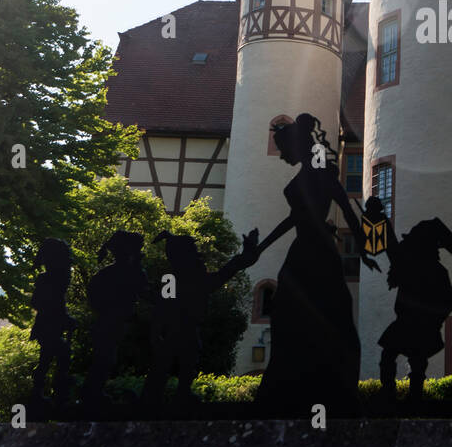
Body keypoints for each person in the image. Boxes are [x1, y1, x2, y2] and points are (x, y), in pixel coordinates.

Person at [249, 113, 377, 418]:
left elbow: (347, 211)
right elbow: (297, 218)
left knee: (313, 318)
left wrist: (363, 250)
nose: (281, 156)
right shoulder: (315, 174)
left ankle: (322, 391)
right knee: (297, 318)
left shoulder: (321, 175)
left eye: (283, 150)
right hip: (307, 251)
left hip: (315, 253)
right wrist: (260, 247)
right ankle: (299, 389)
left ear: (295, 146)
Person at [143, 229, 260, 409]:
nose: (199, 257)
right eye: (193, 253)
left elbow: (163, 306)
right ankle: (156, 398)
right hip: (177, 329)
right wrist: (157, 331)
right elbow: (163, 306)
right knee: (169, 363)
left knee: (184, 362)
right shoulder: (178, 279)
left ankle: (172, 396)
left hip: (184, 328)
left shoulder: (183, 278)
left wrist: (243, 258)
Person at [378, 217, 452, 405]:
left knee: (396, 357)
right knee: (408, 360)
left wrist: (382, 221)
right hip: (418, 324)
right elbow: (448, 298)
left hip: (412, 322)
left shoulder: (415, 264)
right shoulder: (434, 269)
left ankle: (395, 393)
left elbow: (393, 249)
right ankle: (404, 394)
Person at [82, 229, 149, 413]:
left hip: (112, 322)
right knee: (106, 359)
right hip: (111, 323)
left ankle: (93, 393)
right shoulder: (127, 273)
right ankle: (92, 394)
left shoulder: (111, 273)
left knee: (106, 358)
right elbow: (146, 292)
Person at [30, 238, 75, 411]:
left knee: (52, 357)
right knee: (54, 356)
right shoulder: (47, 281)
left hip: (53, 326)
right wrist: (59, 316)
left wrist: (65, 318)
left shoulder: (56, 282)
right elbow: (39, 302)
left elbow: (58, 304)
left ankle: (53, 391)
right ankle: (47, 392)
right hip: (46, 327)